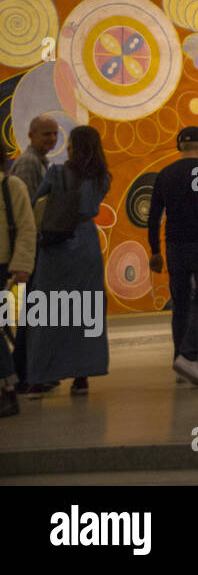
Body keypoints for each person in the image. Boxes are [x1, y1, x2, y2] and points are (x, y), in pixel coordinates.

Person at [19, 125, 112, 396]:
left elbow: (36, 203)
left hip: (56, 245)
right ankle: (81, 377)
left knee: (47, 312)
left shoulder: (57, 173)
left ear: (73, 146)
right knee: (86, 312)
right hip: (87, 245)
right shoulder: (102, 177)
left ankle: (38, 379)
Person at [147, 126, 198, 388]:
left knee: (180, 304)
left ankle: (179, 361)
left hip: (175, 247)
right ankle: (189, 357)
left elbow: (154, 215)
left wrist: (155, 251)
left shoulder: (166, 174)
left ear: (179, 146)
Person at [8, 114, 57, 389]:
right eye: (45, 134)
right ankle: (25, 373)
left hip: (35, 246)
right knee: (31, 313)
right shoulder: (28, 164)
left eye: (53, 134)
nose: (51, 139)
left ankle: (29, 372)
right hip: (32, 248)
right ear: (31, 136)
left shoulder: (40, 162)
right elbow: (26, 210)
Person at [0, 145, 38, 417]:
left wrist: (22, 265)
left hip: (3, 263)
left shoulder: (10, 185)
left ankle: (9, 389)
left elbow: (26, 226)